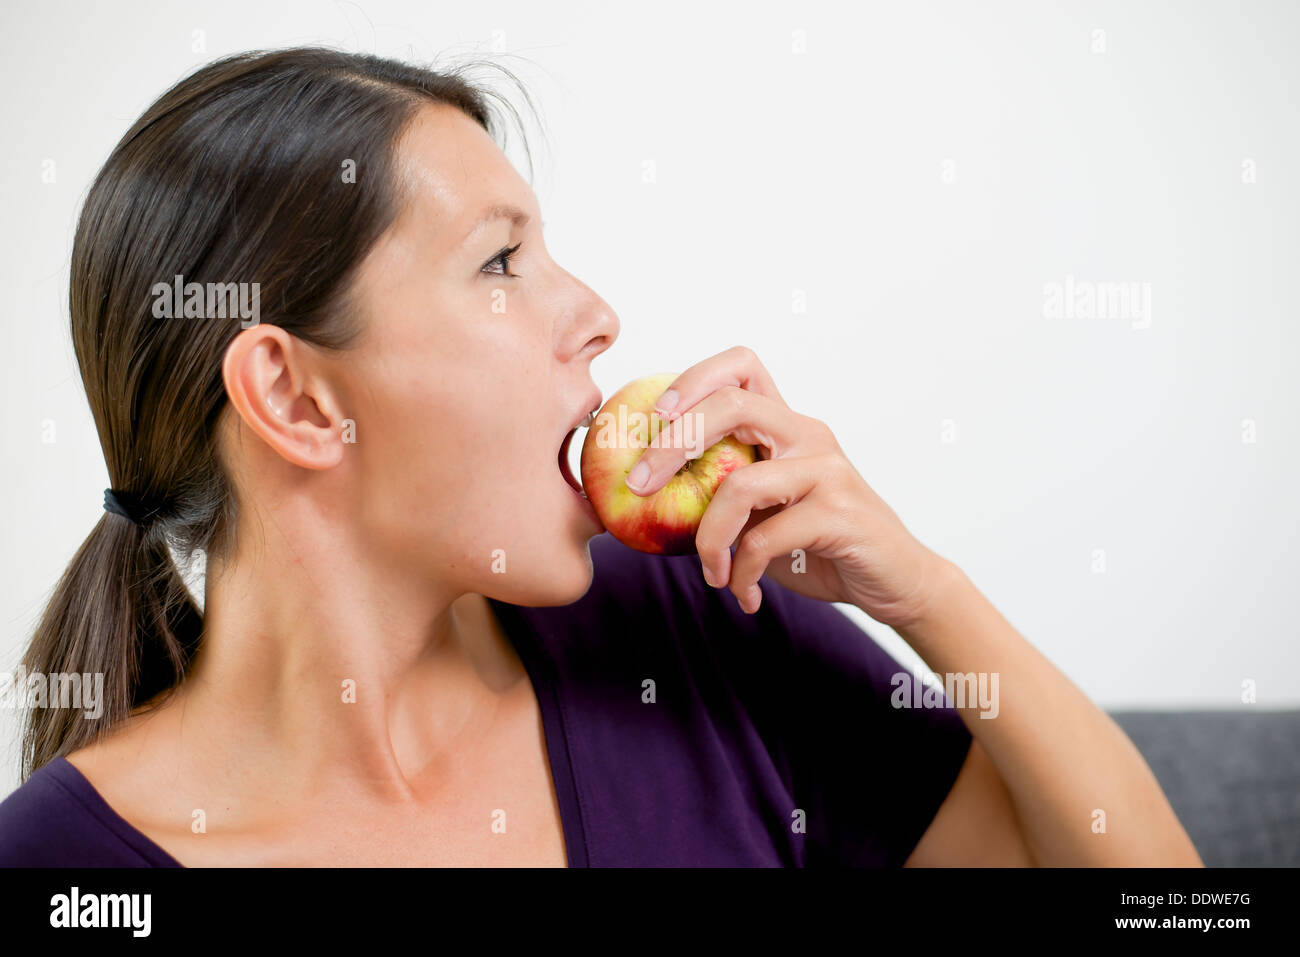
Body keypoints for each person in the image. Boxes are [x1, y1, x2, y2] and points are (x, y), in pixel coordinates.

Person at [0, 48, 1200, 867]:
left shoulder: (696, 634)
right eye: (499, 264)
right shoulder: (63, 866)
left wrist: (926, 594)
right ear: (296, 398)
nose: (598, 313)